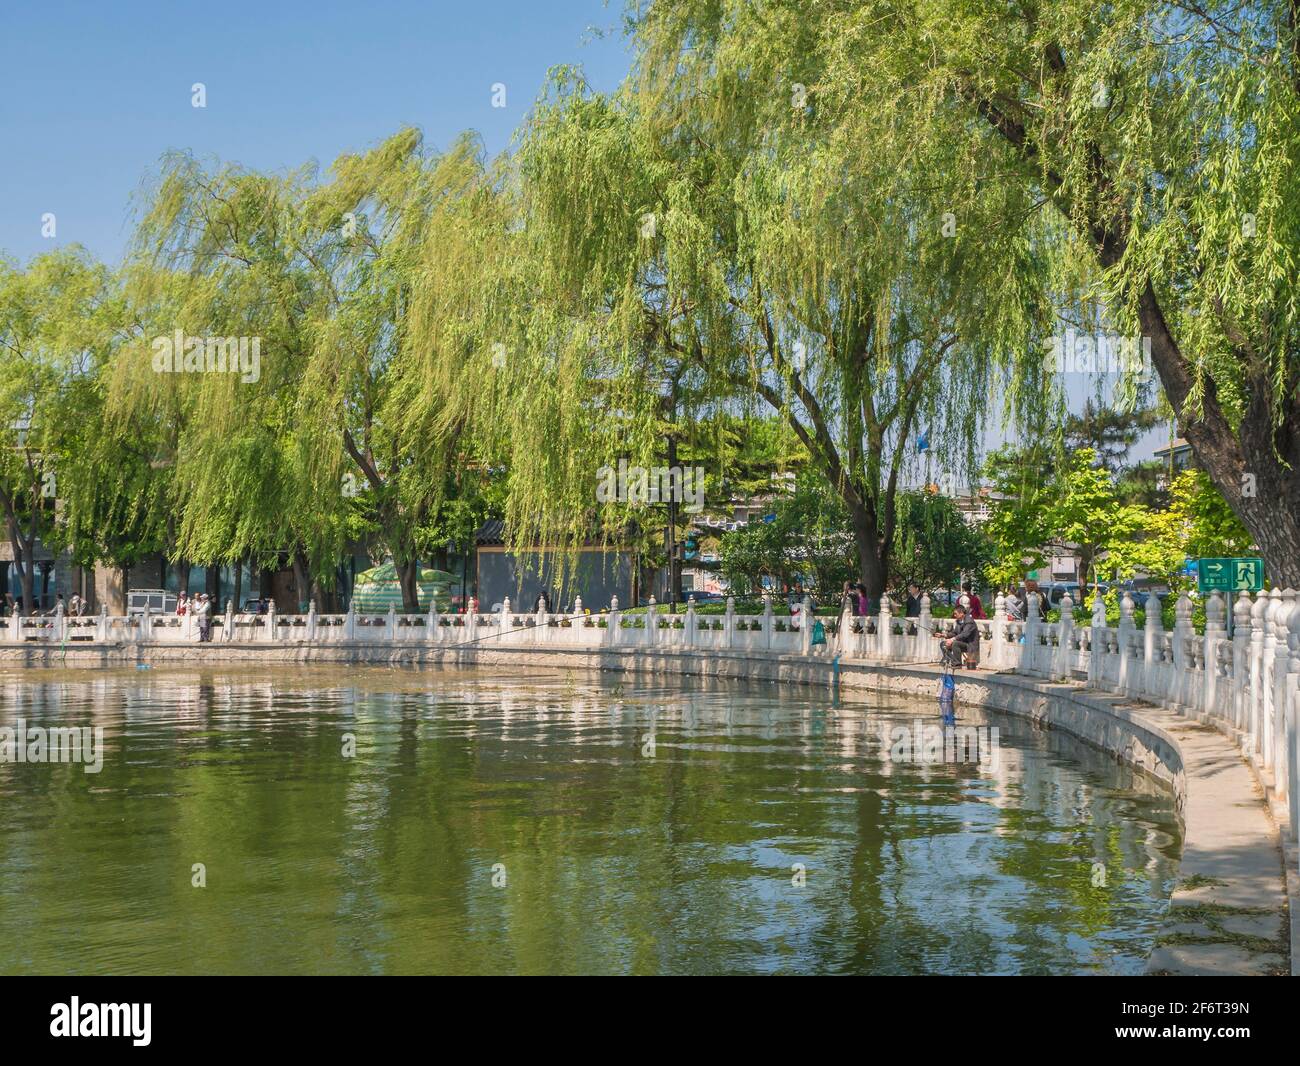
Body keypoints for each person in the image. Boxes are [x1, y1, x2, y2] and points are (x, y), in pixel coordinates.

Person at [940, 604, 981, 669]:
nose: (954, 615)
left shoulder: (969, 621)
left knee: (955, 643)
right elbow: (955, 632)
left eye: (956, 614)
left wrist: (952, 640)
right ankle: (947, 660)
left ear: (961, 613)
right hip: (961, 643)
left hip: (970, 645)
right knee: (943, 644)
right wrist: (944, 635)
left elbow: (964, 634)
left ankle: (957, 664)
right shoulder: (959, 621)